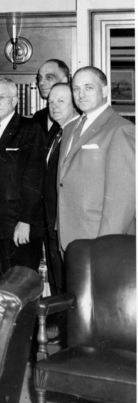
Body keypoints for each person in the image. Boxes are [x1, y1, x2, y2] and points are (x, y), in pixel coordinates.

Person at [0, 76, 45, 284]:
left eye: (1, 98)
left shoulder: (30, 129)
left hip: (17, 224)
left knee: (20, 287)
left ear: (15, 101)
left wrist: (25, 221)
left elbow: (34, 178)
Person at [57, 66, 136, 250]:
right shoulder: (69, 128)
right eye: (76, 89)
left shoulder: (120, 129)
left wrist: (106, 245)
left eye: (88, 87)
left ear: (105, 91)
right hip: (67, 234)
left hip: (98, 237)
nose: (81, 94)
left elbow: (122, 198)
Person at [42, 82, 79, 293]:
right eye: (50, 102)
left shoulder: (77, 134)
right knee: (57, 280)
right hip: (50, 221)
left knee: (69, 283)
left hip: (66, 223)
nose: (53, 106)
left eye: (61, 101)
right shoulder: (56, 132)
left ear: (74, 104)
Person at [32, 59, 71, 137]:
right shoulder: (39, 116)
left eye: (49, 77)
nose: (41, 83)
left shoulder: (74, 114)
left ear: (64, 81)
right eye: (40, 78)